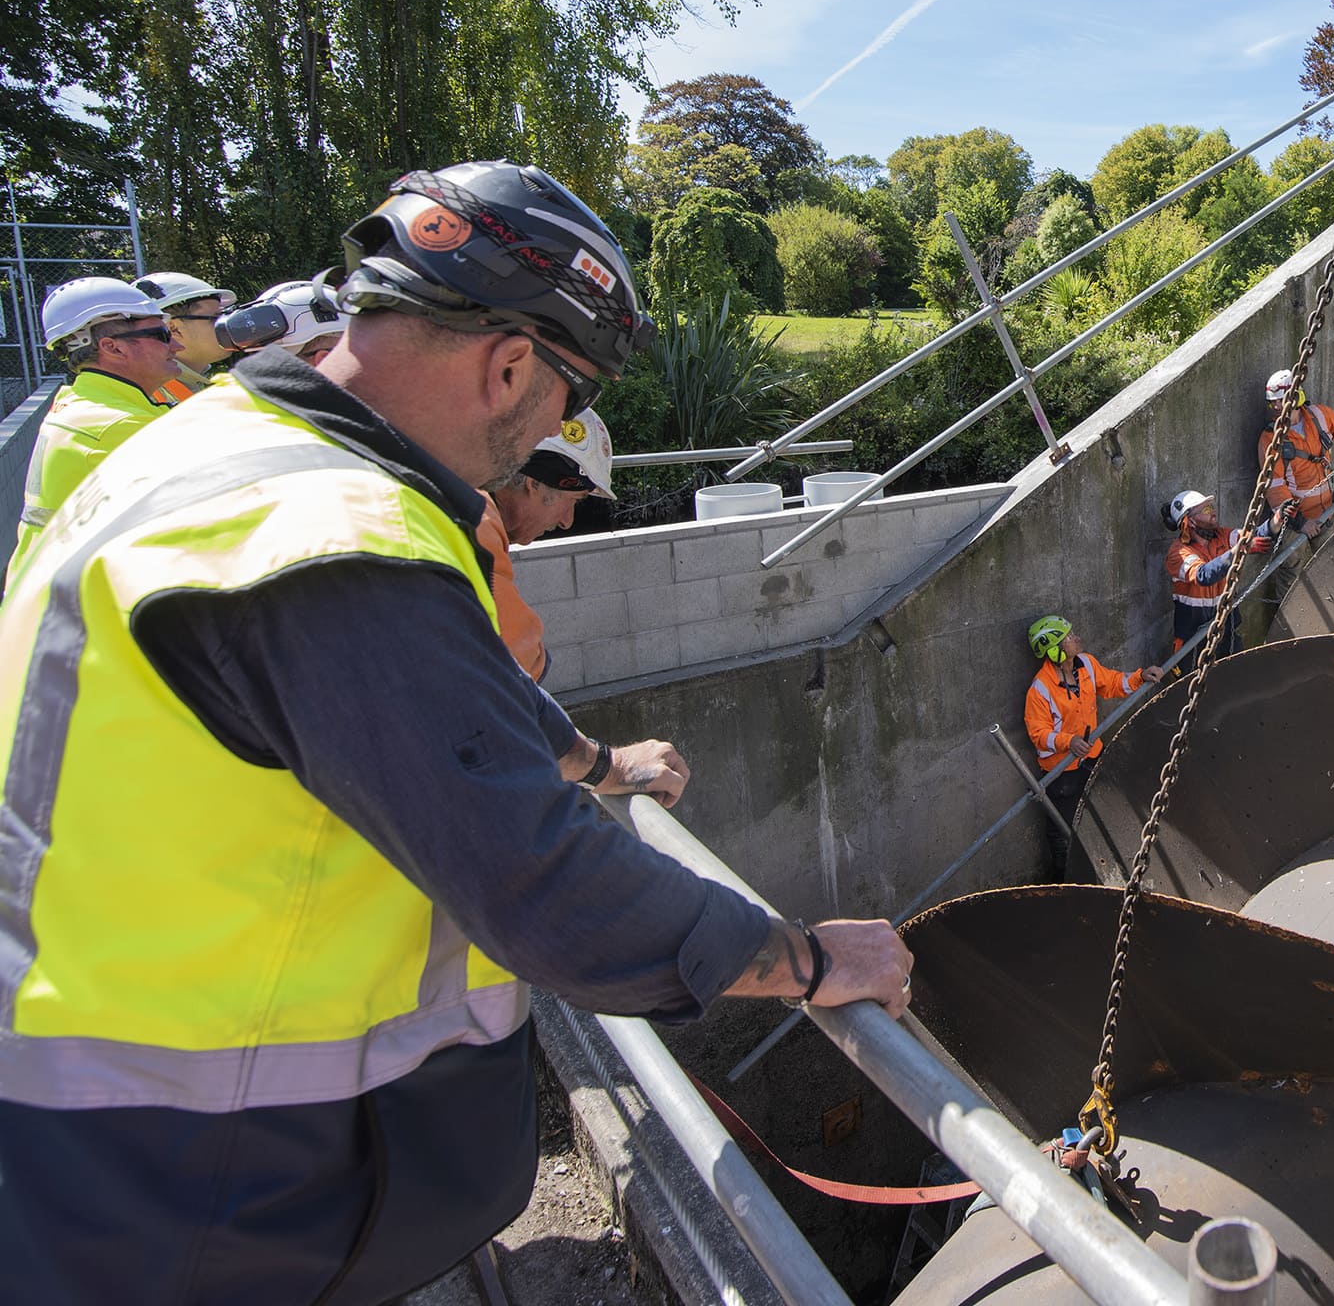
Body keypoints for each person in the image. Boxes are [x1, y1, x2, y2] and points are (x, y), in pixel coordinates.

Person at [0, 160, 911, 1304]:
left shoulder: (214, 450)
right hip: (192, 1193)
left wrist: (595, 761)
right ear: (512, 363)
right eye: (568, 403)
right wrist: (814, 959)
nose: (559, 430)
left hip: (124, 1139)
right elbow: (553, 893)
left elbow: (451, 699)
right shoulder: (329, 538)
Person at [6, 276, 177, 583]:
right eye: (163, 334)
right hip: (75, 616)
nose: (177, 345)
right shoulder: (117, 425)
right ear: (113, 348)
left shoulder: (80, 402)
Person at [479, 408, 617, 680]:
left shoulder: (459, 503)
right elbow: (523, 661)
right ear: (534, 485)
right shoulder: (474, 521)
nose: (567, 521)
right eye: (573, 501)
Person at [1022, 616, 1162, 871]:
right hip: (1062, 773)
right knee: (1062, 832)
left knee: (1107, 811)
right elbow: (1038, 734)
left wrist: (1141, 676)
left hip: (1093, 757)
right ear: (1054, 650)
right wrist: (1069, 742)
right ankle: (1065, 880)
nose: (1076, 638)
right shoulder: (1040, 690)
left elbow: (1110, 683)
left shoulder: (1085, 663)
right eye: (1068, 637)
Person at [1160, 488, 1286, 664]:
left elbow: (1254, 535)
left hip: (1225, 631)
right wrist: (1237, 551)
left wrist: (1277, 520)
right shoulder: (1178, 553)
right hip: (1194, 641)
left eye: (1211, 506)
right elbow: (1204, 575)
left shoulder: (1222, 536)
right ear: (1190, 521)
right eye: (1205, 510)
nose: (1212, 512)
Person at [1257, 367, 1334, 539]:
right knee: (1294, 563)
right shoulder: (1270, 438)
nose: (1276, 406)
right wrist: (1300, 522)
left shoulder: (1319, 416)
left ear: (1296, 397)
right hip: (1295, 523)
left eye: (1280, 400)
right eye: (1272, 402)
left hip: (1327, 511)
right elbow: (1275, 488)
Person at [134, 269, 235, 400]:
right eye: (215, 318)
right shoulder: (153, 395)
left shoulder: (181, 385)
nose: (225, 323)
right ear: (173, 328)